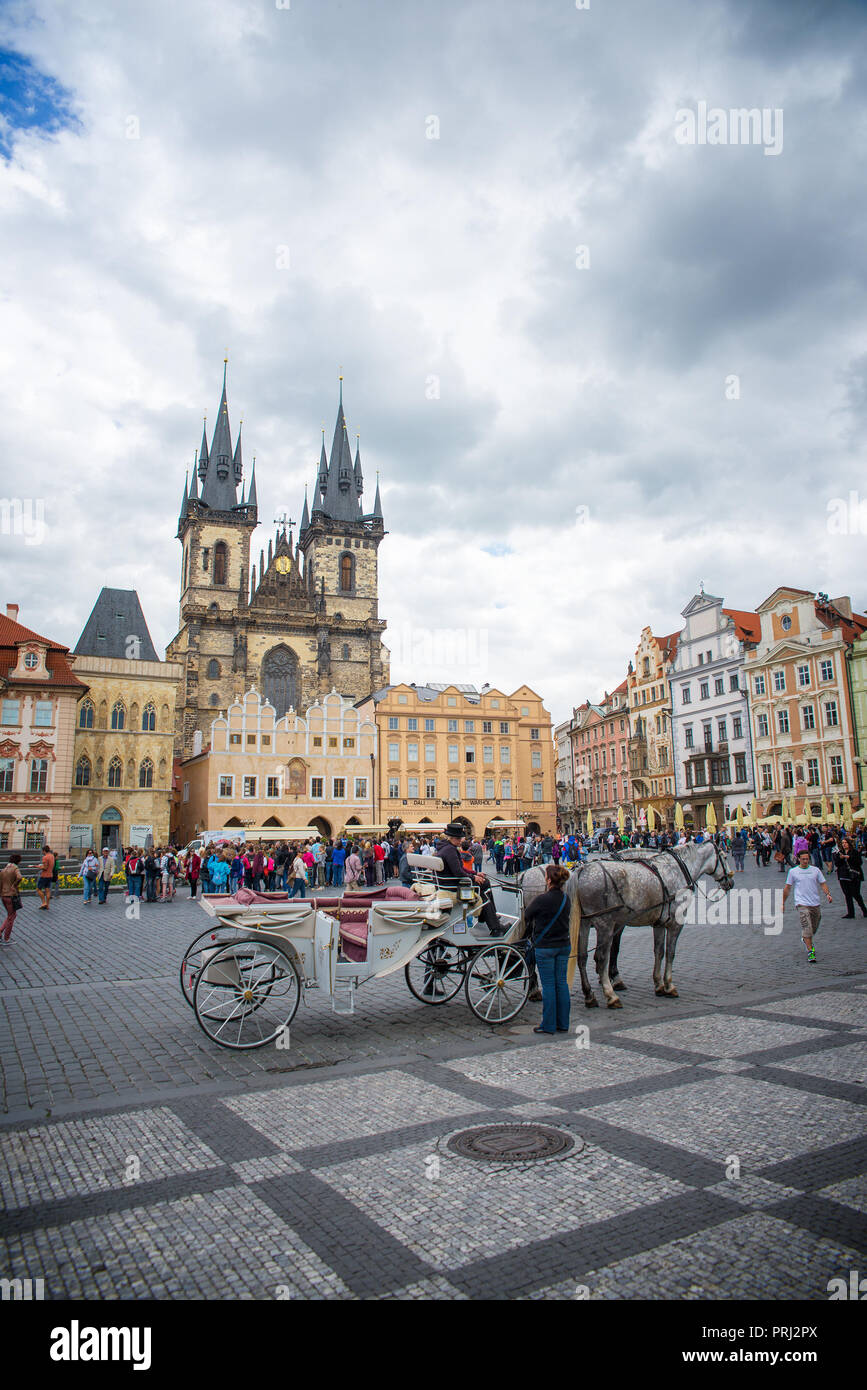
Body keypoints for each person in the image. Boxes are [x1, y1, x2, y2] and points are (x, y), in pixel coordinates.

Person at [435, 822, 510, 936]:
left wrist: (475, 873)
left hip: (448, 882)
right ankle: (495, 926)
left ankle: (488, 917)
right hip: (453, 885)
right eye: (458, 838)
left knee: (485, 883)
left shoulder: (446, 848)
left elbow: (460, 868)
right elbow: (458, 872)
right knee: (482, 892)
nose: (461, 841)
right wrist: (473, 877)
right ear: (452, 838)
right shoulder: (450, 850)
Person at [524, 863, 572, 1035]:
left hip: (545, 948)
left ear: (549, 880)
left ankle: (549, 1025)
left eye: (546, 876)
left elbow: (527, 915)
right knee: (562, 984)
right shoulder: (567, 899)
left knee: (549, 986)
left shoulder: (541, 899)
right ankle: (563, 1023)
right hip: (564, 946)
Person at [782, 848, 832, 963]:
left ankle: (805, 939)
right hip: (801, 903)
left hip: (815, 902)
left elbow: (823, 883)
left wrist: (828, 894)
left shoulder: (815, 870)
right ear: (798, 859)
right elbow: (787, 888)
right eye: (803, 859)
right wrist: (783, 902)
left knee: (814, 925)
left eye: (807, 859)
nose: (805, 861)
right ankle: (811, 952)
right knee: (807, 927)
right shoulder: (793, 872)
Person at [833, 836, 867, 919]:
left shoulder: (854, 852)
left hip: (854, 875)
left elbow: (859, 862)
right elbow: (837, 864)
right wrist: (840, 858)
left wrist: (849, 858)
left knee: (856, 894)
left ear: (849, 843)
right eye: (843, 843)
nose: (844, 844)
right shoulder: (840, 852)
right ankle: (851, 913)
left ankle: (864, 910)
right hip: (843, 875)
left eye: (845, 843)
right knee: (847, 895)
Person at [0, 852, 23, 943]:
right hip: (11, 895)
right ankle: (6, 938)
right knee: (11, 916)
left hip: (3, 895)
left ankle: (1, 931)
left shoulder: (4, 870)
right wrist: (15, 885)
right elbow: (19, 877)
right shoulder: (15, 868)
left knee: (12, 915)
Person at [37, 843, 55, 909]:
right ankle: (47, 905)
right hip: (50, 875)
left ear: (44, 851)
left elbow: (45, 868)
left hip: (44, 875)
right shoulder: (52, 856)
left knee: (38, 889)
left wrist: (37, 866)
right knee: (47, 890)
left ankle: (43, 903)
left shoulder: (45, 857)